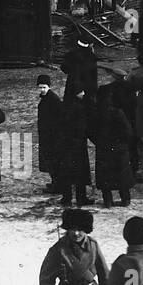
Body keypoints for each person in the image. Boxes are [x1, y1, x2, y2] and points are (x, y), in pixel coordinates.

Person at [53, 78, 94, 207]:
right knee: (80, 174)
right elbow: (84, 128)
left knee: (67, 173)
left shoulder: (64, 107)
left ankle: (66, 198)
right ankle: (81, 198)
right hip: (78, 145)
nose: (83, 94)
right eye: (81, 91)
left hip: (65, 145)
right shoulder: (80, 108)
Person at [94, 84, 135, 207]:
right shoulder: (118, 112)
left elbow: (91, 130)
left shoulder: (96, 113)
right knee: (121, 174)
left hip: (103, 148)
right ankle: (125, 199)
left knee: (105, 175)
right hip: (119, 147)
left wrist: (99, 142)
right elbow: (128, 132)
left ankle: (108, 201)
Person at [36, 74, 64, 193]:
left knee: (54, 162)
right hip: (47, 135)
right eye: (40, 87)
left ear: (49, 87)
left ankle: (58, 186)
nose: (42, 90)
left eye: (44, 87)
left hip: (52, 137)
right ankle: (55, 183)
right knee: (50, 162)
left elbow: (59, 118)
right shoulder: (46, 98)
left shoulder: (53, 99)